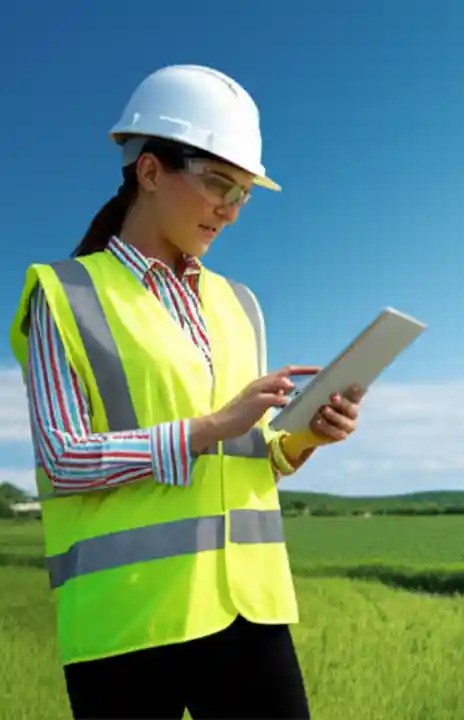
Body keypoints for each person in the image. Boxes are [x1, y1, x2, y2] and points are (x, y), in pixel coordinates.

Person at [8, 64, 361, 719]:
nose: (230, 209)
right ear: (149, 172)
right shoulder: (65, 295)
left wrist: (306, 437)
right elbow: (63, 458)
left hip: (251, 614)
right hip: (127, 625)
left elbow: (248, 458)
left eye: (244, 193)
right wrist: (206, 429)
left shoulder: (241, 304)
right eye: (217, 184)